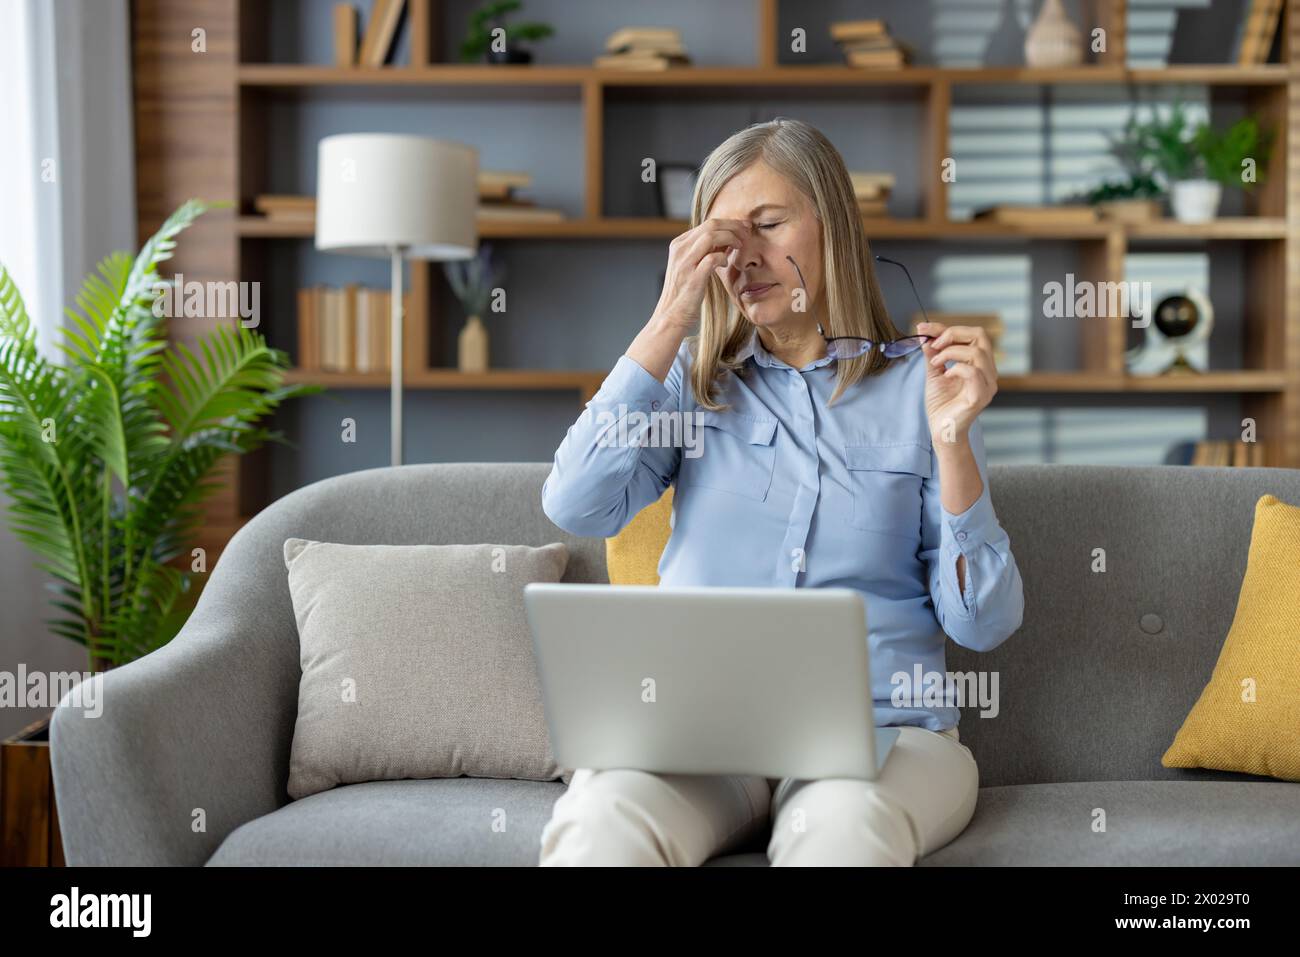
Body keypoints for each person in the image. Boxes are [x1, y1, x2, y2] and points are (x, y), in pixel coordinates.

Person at [537, 117, 1024, 866]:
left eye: (769, 224)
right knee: (598, 817)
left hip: (883, 733)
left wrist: (953, 440)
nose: (747, 259)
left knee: (839, 830)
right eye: (726, 239)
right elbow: (575, 502)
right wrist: (671, 317)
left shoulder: (922, 389)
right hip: (701, 735)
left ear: (830, 222)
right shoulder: (694, 382)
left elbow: (983, 622)